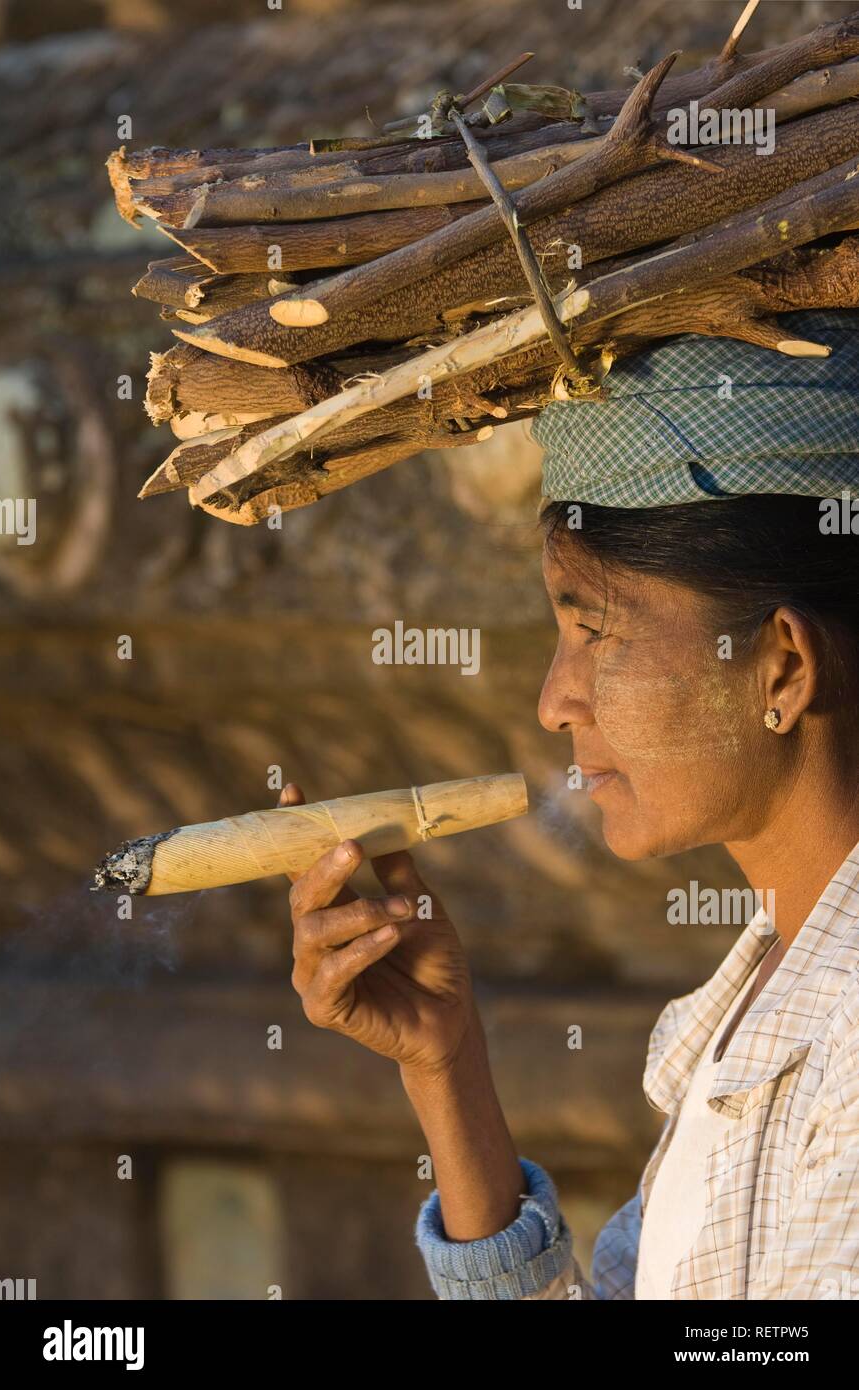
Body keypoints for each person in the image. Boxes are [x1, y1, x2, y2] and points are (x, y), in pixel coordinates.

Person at [282, 308, 859, 1299]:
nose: (554, 702)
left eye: (595, 631)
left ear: (780, 664)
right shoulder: (770, 990)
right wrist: (445, 1067)